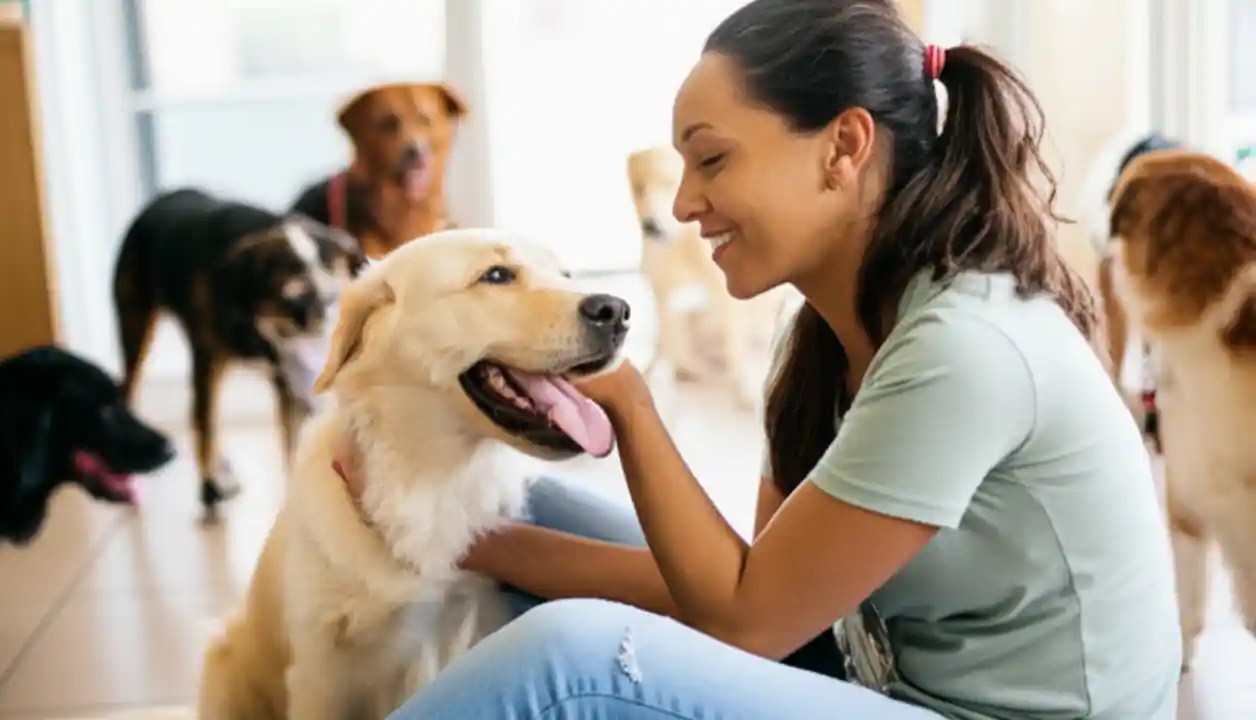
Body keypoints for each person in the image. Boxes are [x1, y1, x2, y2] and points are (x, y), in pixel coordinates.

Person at [367, 1, 1183, 717]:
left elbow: (744, 621)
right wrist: (478, 534)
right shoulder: (823, 336)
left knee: (571, 658)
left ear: (844, 146)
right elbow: (752, 593)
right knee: (534, 507)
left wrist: (615, 413)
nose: (684, 202)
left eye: (712, 159)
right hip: (881, 678)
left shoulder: (964, 350)